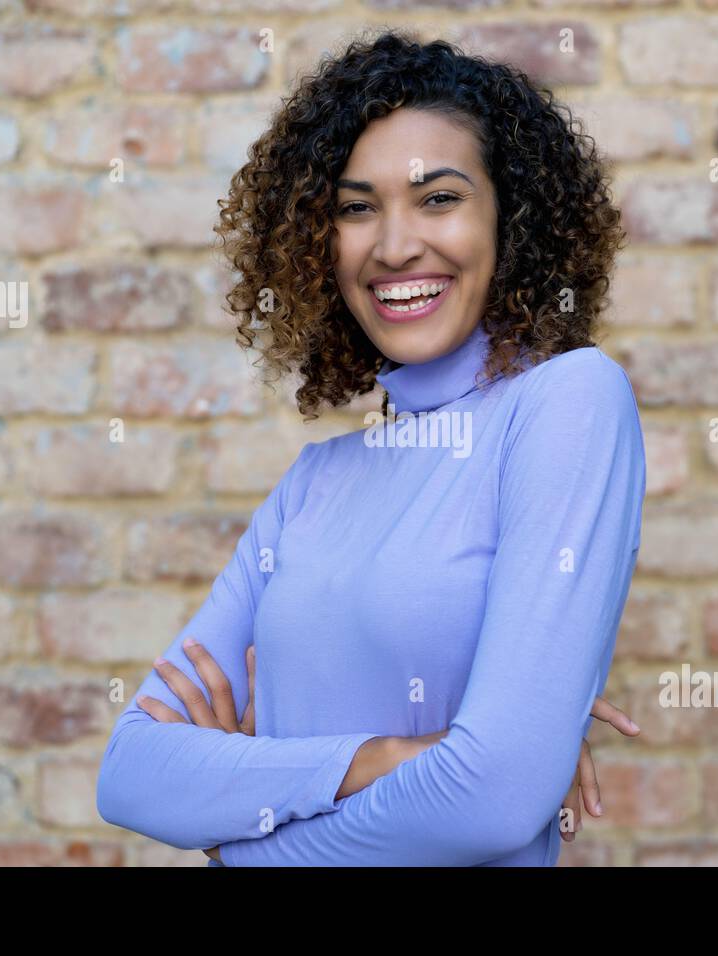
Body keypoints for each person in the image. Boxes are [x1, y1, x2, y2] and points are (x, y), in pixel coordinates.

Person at [96, 30, 647, 866]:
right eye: (357, 208)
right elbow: (131, 774)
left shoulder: (569, 402)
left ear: (514, 221)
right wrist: (385, 758)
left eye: (439, 199)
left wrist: (238, 821)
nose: (393, 246)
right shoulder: (315, 482)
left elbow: (493, 800)